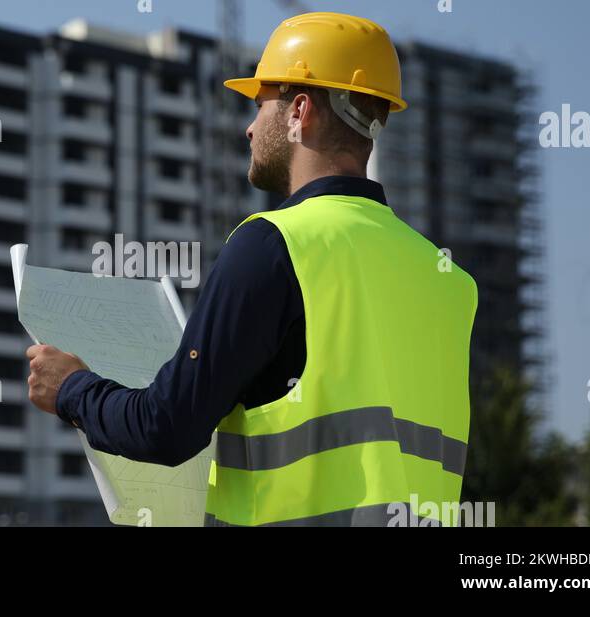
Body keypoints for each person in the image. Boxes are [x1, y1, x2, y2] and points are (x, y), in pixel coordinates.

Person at [26, 12, 478, 526]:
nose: (248, 126)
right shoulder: (449, 282)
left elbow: (167, 426)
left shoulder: (273, 245)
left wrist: (72, 389)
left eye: (260, 103)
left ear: (299, 111)